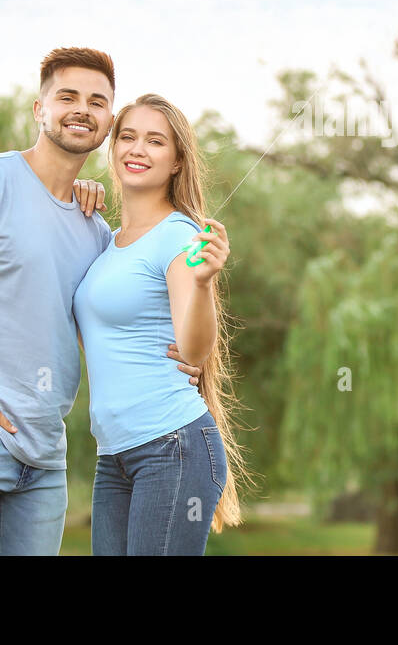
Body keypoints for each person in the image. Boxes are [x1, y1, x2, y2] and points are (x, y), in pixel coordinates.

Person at [0, 47, 202, 555]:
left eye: (98, 102)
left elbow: (114, 325)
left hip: (45, 464)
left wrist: (180, 364)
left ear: (107, 124)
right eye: (67, 96)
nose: (82, 109)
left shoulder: (96, 230)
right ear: (39, 108)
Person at [75, 93, 246, 555]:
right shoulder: (106, 244)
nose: (137, 149)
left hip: (171, 446)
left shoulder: (178, 235)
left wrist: (205, 282)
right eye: (127, 137)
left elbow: (193, 352)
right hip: (113, 456)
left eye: (155, 141)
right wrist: (76, 196)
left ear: (175, 162)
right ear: (112, 149)